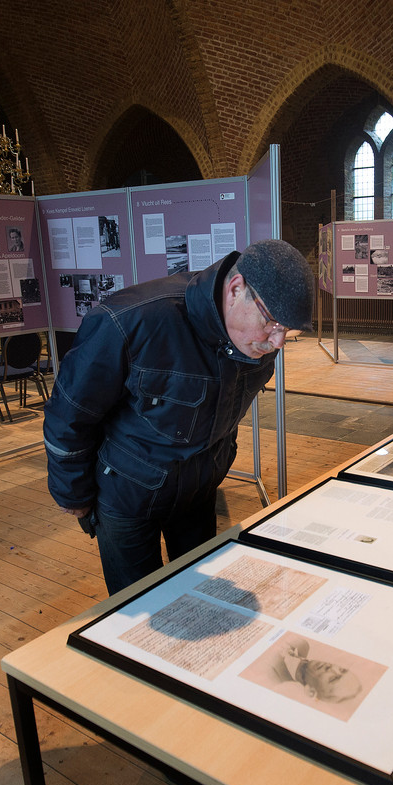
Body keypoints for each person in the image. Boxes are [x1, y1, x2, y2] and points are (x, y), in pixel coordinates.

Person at [44, 239, 315, 594]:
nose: (278, 342)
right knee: (136, 606)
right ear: (236, 290)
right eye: (273, 323)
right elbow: (70, 416)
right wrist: (73, 495)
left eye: (289, 333)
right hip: (129, 496)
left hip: (198, 491)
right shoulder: (131, 321)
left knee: (197, 597)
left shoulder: (256, 339)